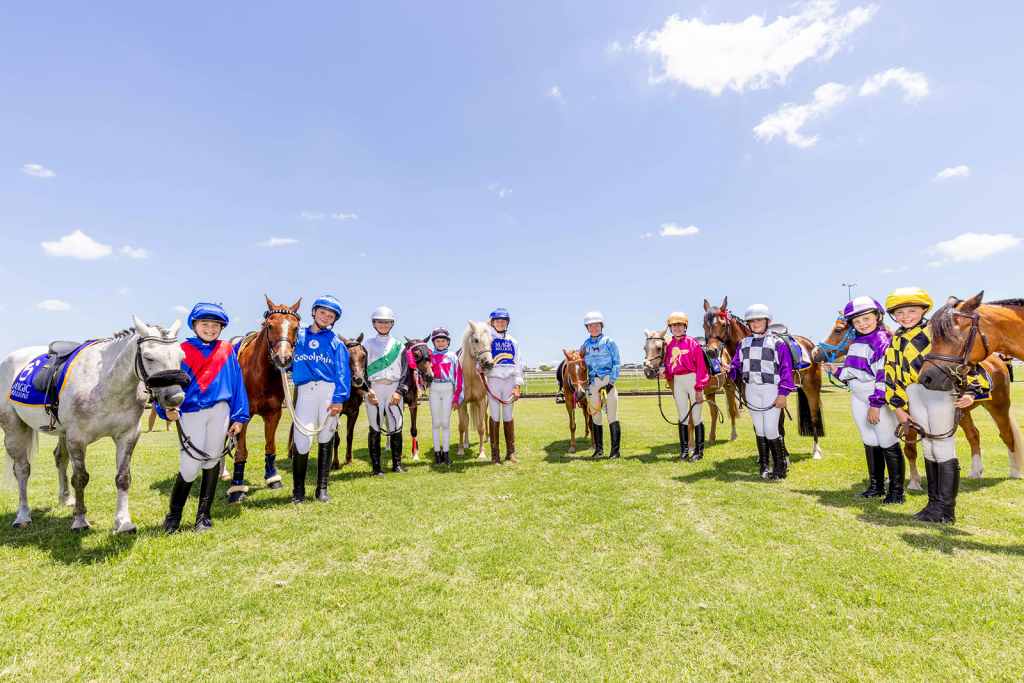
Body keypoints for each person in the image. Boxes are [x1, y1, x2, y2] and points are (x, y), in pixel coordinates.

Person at [884, 287, 985, 524]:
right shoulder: (896, 339)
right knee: (928, 446)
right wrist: (898, 407)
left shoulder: (936, 331)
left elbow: (967, 360)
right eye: (900, 312)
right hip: (913, 391)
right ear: (893, 316)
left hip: (939, 391)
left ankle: (946, 510)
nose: (906, 316)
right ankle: (933, 505)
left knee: (942, 446)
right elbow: (891, 374)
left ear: (923, 310)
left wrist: (971, 391)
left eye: (912, 310)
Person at [159, 303, 249, 533]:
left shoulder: (227, 349)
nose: (210, 328)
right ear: (194, 326)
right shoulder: (182, 350)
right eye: (204, 324)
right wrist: (165, 410)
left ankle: (203, 516)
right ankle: (173, 516)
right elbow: (165, 384)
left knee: (211, 462)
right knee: (189, 467)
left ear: (222, 327)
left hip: (220, 411)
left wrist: (239, 417)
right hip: (190, 412)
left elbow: (238, 385)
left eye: (215, 325)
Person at [821, 297, 904, 503]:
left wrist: (876, 405)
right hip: (858, 396)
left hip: (875, 398)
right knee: (870, 440)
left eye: (866, 319)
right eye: (857, 322)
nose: (862, 324)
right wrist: (837, 370)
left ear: (878, 316)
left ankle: (896, 492)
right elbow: (855, 371)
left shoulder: (883, 340)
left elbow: (883, 375)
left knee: (888, 441)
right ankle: (876, 487)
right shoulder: (857, 340)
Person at [289, 295, 350, 503]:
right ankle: (298, 492)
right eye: (322, 312)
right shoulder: (298, 336)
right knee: (302, 439)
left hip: (328, 392)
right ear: (314, 312)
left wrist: (339, 398)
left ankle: (321, 489)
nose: (326, 317)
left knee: (325, 437)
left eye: (331, 315)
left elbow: (343, 372)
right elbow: (288, 360)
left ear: (334, 320)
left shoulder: (336, 342)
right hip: (305, 392)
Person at [727, 304, 795, 481]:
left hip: (771, 388)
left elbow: (786, 370)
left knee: (771, 429)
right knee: (759, 429)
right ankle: (765, 466)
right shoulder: (743, 344)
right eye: (752, 321)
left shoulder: (778, 343)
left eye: (759, 320)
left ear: (767, 321)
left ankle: (781, 469)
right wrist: (729, 369)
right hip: (751, 389)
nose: (755, 323)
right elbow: (737, 366)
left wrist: (783, 394)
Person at [364, 307, 409, 476]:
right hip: (374, 389)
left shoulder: (399, 345)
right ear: (374, 324)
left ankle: (397, 464)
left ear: (392, 323)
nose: (383, 325)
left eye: (386, 322)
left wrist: (399, 392)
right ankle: (376, 467)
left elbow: (405, 371)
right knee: (375, 427)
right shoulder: (367, 344)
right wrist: (367, 389)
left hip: (393, 387)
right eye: (379, 322)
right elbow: (362, 370)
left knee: (396, 426)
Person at [662, 311, 710, 462]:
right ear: (670, 328)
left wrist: (699, 389)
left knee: (696, 417)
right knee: (682, 416)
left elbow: (701, 367)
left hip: (693, 380)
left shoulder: (692, 343)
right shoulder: (669, 346)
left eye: (680, 325)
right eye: (674, 325)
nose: (677, 328)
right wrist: (665, 374)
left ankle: (698, 451)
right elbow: (670, 366)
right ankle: (684, 450)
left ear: (685, 326)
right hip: (678, 382)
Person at [580, 312, 622, 459]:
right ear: (587, 328)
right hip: (592, 384)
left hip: (607, 381)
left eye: (596, 325)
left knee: (612, 416)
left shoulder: (609, 342)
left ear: (601, 326)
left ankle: (615, 452)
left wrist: (611, 383)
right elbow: (582, 366)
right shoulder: (585, 345)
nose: (593, 328)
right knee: (595, 417)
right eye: (590, 326)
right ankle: (599, 449)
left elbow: (616, 363)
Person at [484, 308, 523, 465]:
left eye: (503, 320)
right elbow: (480, 361)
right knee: (495, 416)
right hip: (493, 382)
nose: (500, 323)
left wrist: (517, 385)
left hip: (508, 382)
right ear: (492, 323)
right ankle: (495, 456)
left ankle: (510, 453)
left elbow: (518, 364)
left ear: (507, 323)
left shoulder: (513, 341)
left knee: (508, 416)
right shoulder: (488, 340)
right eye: (497, 321)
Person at [428, 327, 464, 465]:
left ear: (447, 342)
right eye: (438, 341)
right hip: (434, 390)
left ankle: (446, 453)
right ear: (434, 342)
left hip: (448, 389)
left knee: (446, 423)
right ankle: (437, 453)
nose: (441, 343)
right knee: (436, 423)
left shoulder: (453, 356)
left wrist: (457, 399)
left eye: (443, 341)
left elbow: (459, 379)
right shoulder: (430, 355)